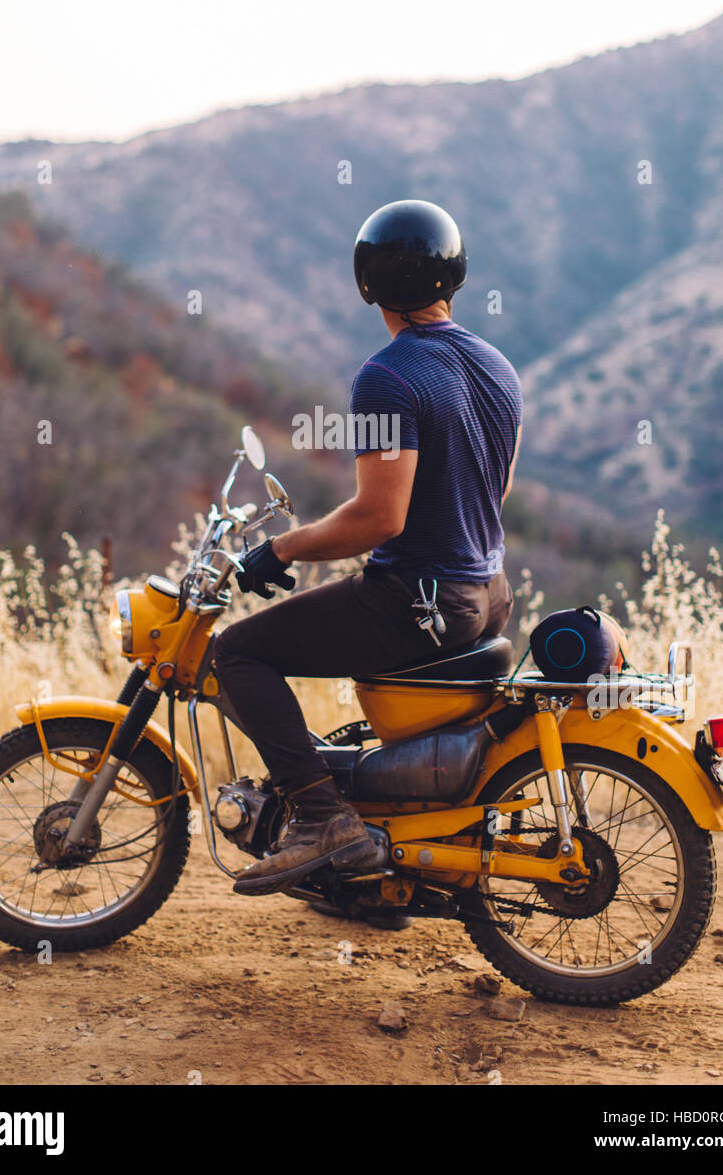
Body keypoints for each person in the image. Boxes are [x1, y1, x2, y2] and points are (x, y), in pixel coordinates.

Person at [215, 199, 523, 897]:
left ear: (369, 284)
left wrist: (283, 550)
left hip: (417, 601)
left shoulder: (387, 376)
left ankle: (322, 819)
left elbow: (380, 517)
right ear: (454, 276)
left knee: (237, 652)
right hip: (488, 596)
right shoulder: (499, 368)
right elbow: (493, 490)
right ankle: (380, 878)